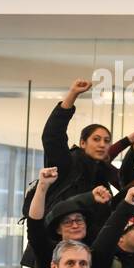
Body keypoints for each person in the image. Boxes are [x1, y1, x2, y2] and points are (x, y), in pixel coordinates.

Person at [39, 79, 119, 212]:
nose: (102, 144)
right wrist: (72, 95)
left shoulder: (103, 172)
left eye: (106, 141)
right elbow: (52, 136)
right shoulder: (69, 163)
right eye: (96, 139)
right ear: (83, 143)